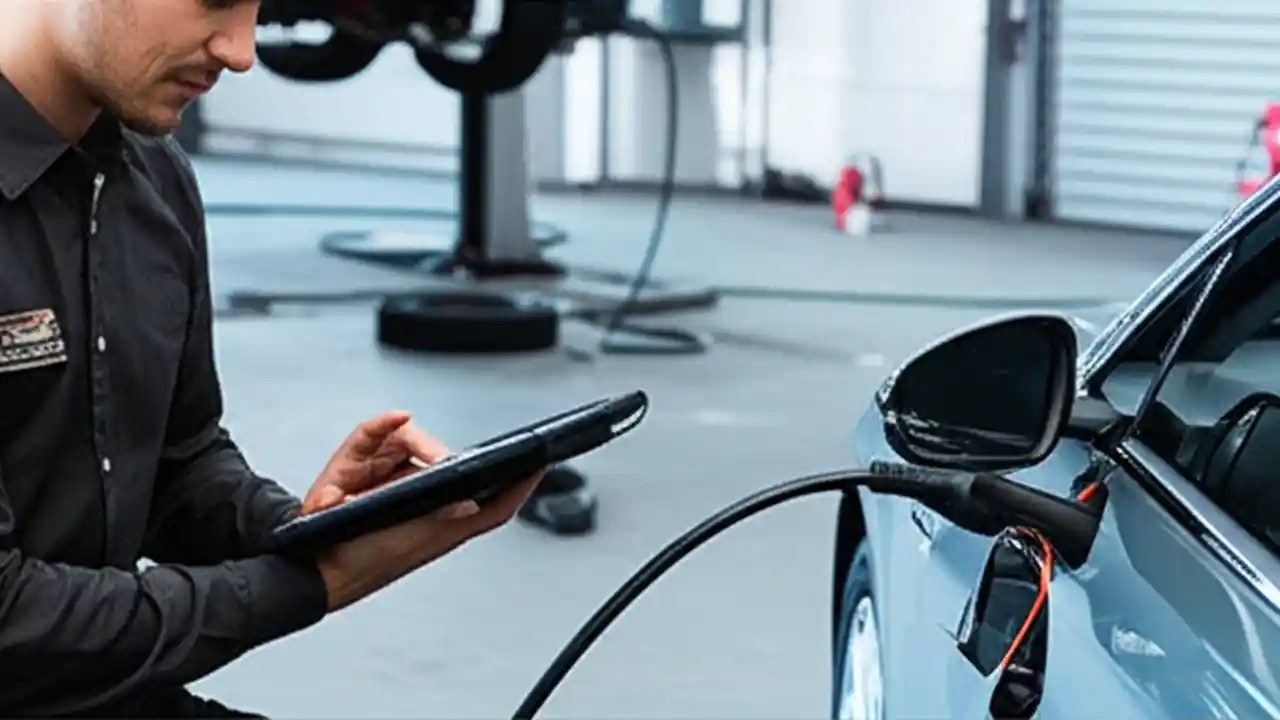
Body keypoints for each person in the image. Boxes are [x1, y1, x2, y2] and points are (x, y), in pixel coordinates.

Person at [0, 0, 547, 715]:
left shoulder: (154, 181)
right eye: (218, 1)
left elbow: (179, 461)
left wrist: (305, 525)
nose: (242, 50)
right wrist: (317, 581)